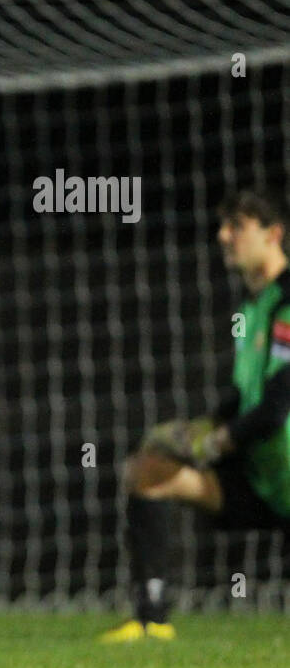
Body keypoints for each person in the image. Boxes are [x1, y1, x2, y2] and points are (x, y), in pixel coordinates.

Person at [103, 189, 290, 643]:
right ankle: (151, 618)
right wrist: (202, 427)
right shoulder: (252, 306)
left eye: (237, 226)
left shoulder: (286, 303)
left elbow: (277, 405)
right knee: (147, 469)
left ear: (273, 234)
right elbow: (247, 396)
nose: (224, 236)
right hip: (261, 477)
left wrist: (215, 442)